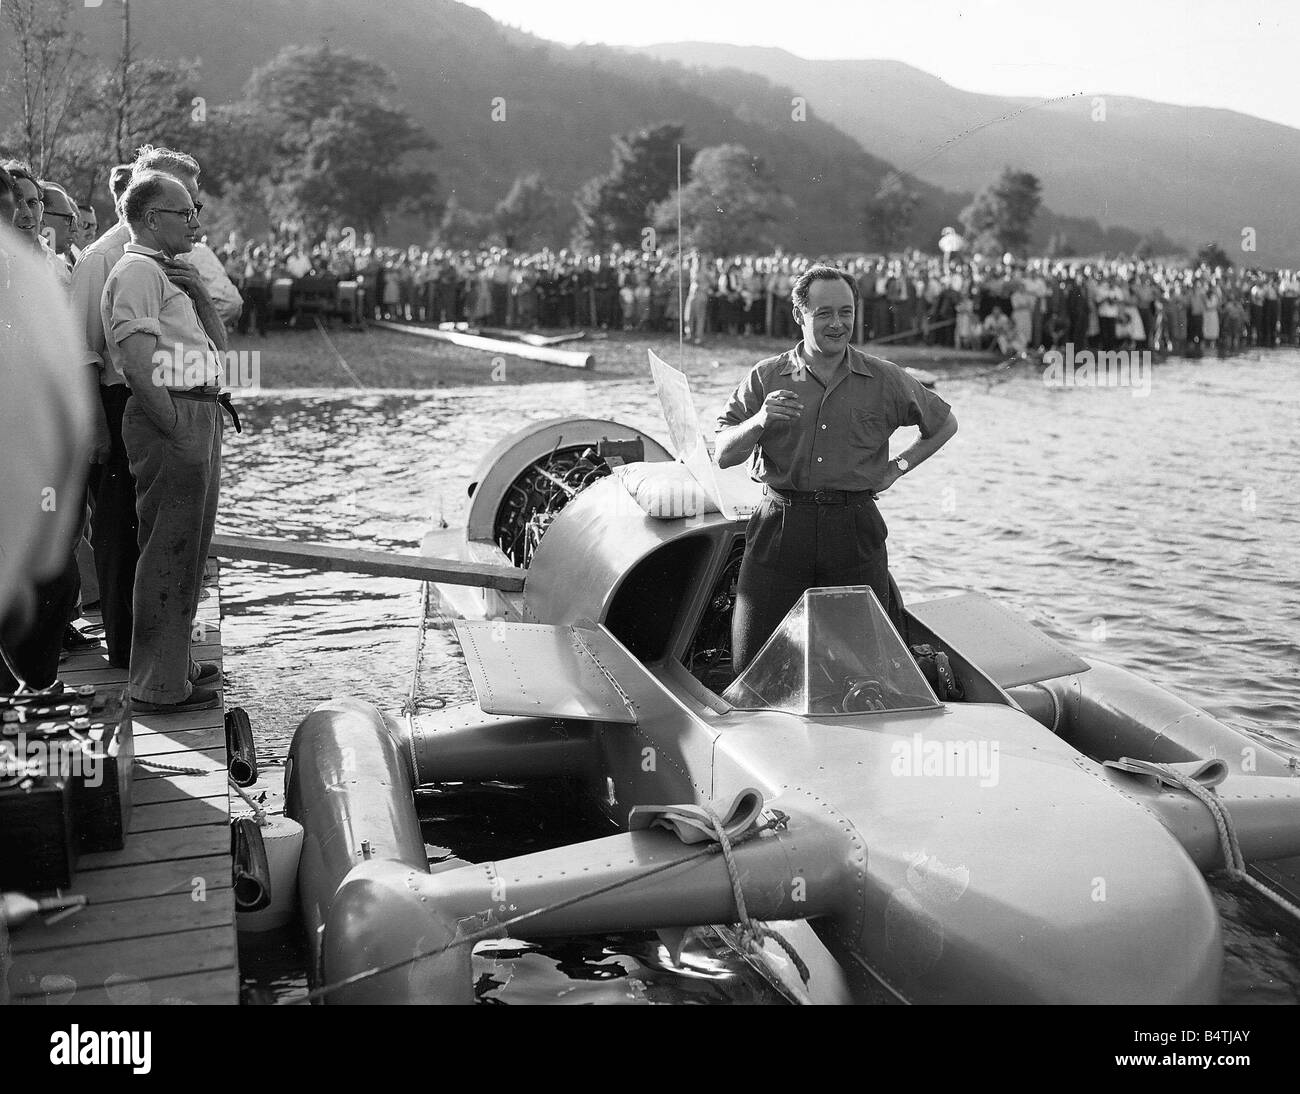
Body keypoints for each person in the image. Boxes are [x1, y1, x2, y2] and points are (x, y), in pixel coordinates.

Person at [715, 266, 958, 672]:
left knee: (869, 668)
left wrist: (897, 466)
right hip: (781, 527)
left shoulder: (885, 378)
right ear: (799, 315)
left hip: (854, 529)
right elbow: (722, 454)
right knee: (753, 663)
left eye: (846, 312)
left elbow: (944, 424)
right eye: (824, 313)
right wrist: (759, 421)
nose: (838, 323)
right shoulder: (765, 375)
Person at [100, 171, 229, 713]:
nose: (196, 220)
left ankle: (175, 667)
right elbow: (135, 363)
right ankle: (155, 685)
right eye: (186, 211)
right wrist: (174, 423)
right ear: (152, 219)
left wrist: (199, 292)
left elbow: (221, 350)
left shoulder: (169, 273)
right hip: (173, 417)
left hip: (198, 410)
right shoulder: (136, 271)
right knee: (167, 550)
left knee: (191, 550)